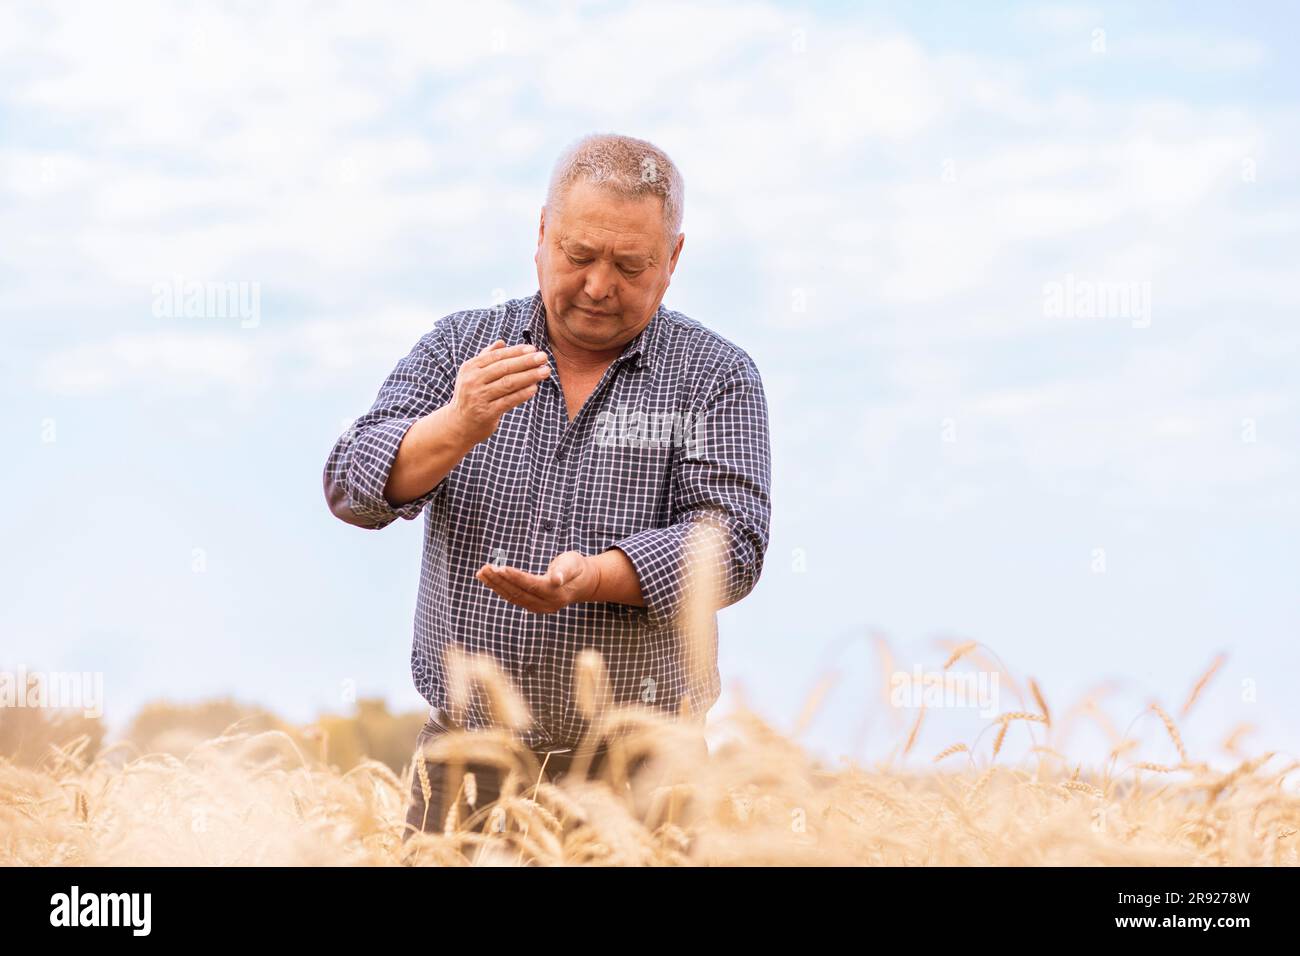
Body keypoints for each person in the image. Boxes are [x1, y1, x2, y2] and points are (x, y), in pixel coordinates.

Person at [322, 132, 771, 838]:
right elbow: (350, 482)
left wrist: (594, 576)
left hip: (645, 786)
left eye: (630, 264)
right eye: (579, 255)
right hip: (465, 775)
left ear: (673, 258)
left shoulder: (715, 376)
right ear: (541, 233)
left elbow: (733, 545)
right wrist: (458, 424)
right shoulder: (458, 348)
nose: (598, 285)